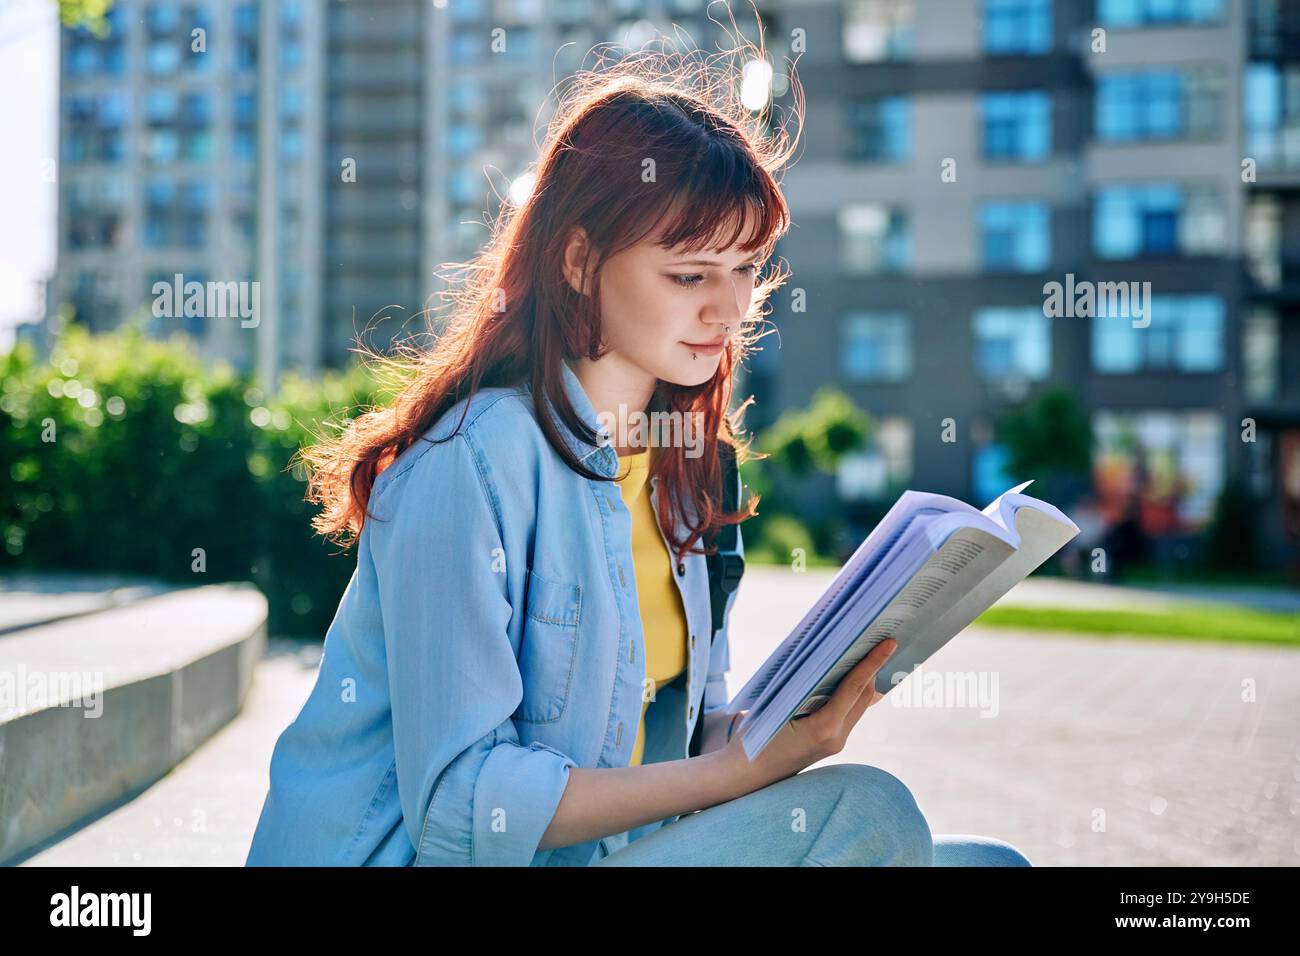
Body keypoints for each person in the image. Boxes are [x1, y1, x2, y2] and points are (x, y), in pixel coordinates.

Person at [245, 30, 1030, 868]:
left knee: (991, 867)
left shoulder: (686, 470)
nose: (729, 313)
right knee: (868, 811)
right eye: (690, 275)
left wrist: (785, 723)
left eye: (746, 269)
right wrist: (739, 771)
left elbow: (680, 740)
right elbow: (462, 810)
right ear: (580, 261)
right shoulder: (469, 462)